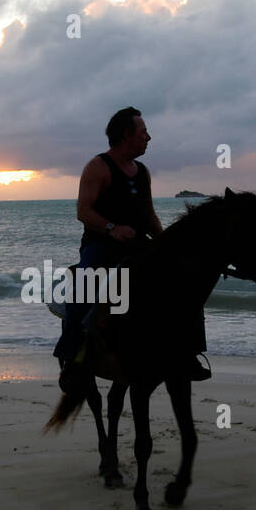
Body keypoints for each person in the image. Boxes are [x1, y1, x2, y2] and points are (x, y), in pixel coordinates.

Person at [53, 107, 209, 390]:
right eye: (143, 132)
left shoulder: (142, 172)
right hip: (101, 245)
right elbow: (83, 212)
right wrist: (113, 228)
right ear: (127, 134)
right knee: (84, 289)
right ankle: (71, 358)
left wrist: (165, 242)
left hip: (138, 246)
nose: (148, 137)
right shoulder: (98, 167)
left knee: (185, 285)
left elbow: (148, 214)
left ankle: (189, 353)